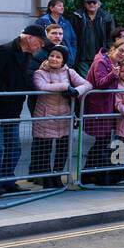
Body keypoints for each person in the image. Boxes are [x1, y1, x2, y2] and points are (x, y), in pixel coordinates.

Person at [0, 24, 48, 195]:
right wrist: (5, 93)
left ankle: (8, 180)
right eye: (39, 42)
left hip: (13, 108)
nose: (40, 47)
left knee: (13, 147)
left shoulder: (27, 55)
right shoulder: (4, 50)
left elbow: (23, 78)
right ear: (29, 37)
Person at [30, 45, 91, 188]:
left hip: (64, 116)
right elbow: (41, 86)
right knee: (44, 150)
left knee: (62, 149)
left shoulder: (70, 72)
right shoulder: (40, 72)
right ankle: (47, 179)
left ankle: (57, 175)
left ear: (64, 60)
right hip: (45, 116)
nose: (54, 59)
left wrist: (76, 91)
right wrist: (65, 87)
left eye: (58, 57)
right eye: (52, 55)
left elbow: (87, 84)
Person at [81, 37, 124, 185]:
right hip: (98, 107)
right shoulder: (101, 62)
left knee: (104, 142)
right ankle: (90, 173)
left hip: (110, 107)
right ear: (112, 49)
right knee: (101, 141)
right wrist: (113, 75)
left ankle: (95, 173)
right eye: (120, 50)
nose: (122, 54)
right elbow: (100, 83)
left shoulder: (117, 64)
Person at [67, 0, 116, 76]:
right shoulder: (77, 16)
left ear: (99, 4)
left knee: (100, 79)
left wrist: (108, 51)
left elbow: (111, 37)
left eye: (94, 2)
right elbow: (72, 37)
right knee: (87, 82)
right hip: (82, 57)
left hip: (101, 56)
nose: (92, 4)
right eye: (89, 2)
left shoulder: (106, 17)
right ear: (85, 4)